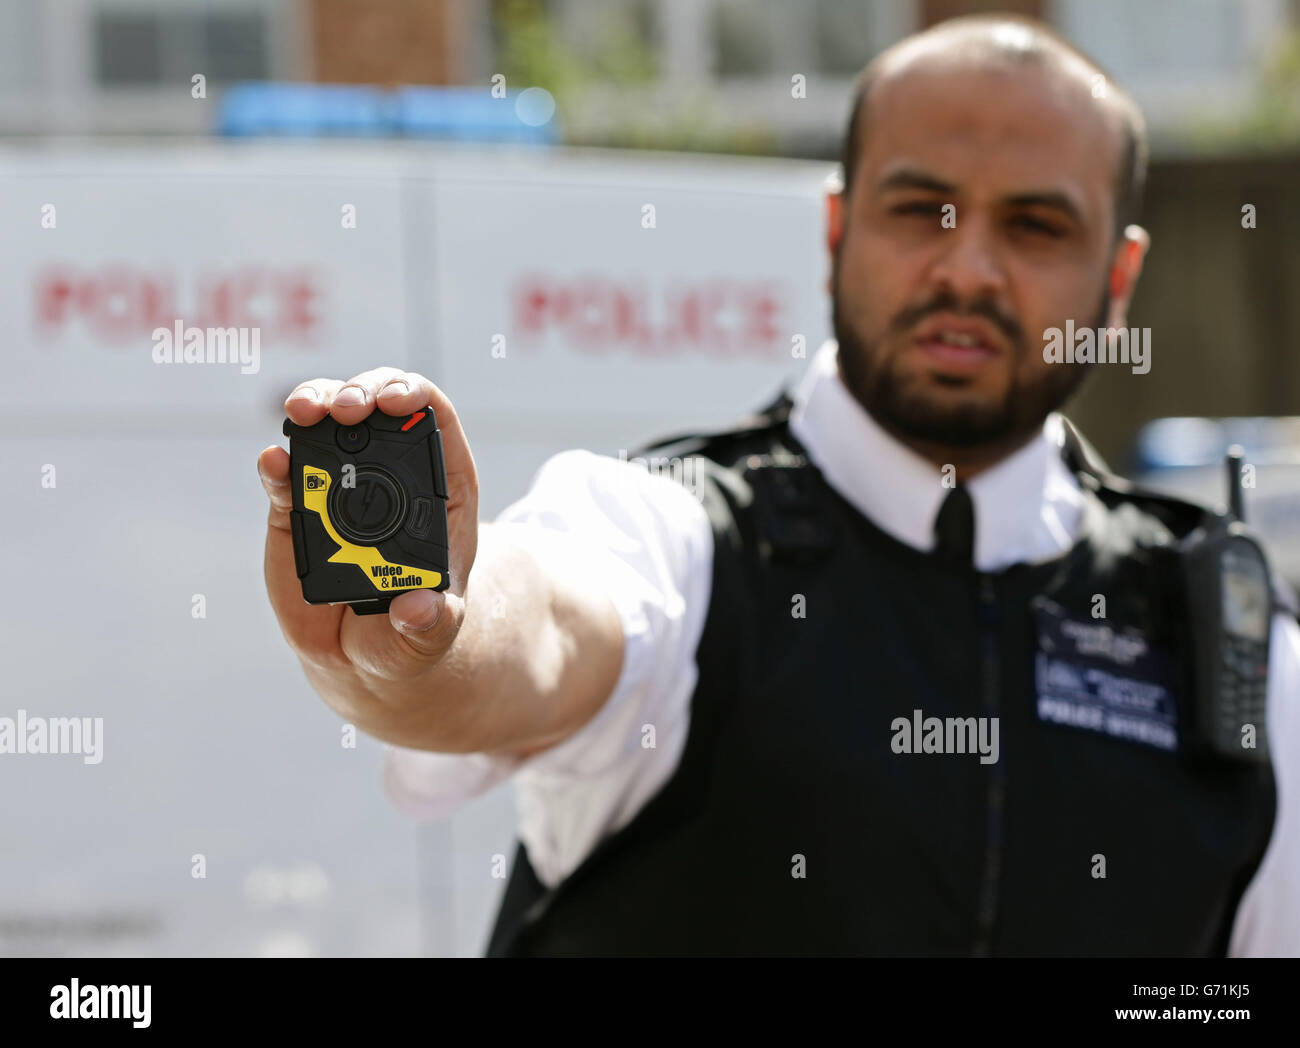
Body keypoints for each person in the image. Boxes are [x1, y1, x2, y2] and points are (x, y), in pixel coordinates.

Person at [257, 14, 1300, 956]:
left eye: (1034, 225)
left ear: (1114, 283)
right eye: (921, 208)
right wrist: (419, 638)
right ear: (836, 230)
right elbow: (540, 625)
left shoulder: (1233, 650)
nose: (969, 268)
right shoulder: (677, 536)